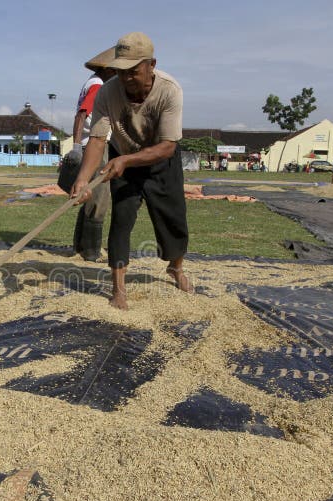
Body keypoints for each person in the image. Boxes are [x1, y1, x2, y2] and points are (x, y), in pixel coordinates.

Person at [71, 32, 192, 310]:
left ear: (151, 64)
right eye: (120, 71)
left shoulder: (169, 90)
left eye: (133, 71)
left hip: (161, 159)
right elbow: (98, 139)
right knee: (121, 220)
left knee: (174, 220)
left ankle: (175, 268)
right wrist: (82, 179)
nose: (125, 78)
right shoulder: (107, 92)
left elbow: (167, 147)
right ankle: (119, 289)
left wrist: (127, 161)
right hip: (122, 156)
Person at [66, 46, 116, 262]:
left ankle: (80, 246)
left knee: (87, 195)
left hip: (91, 143)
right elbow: (82, 114)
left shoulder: (93, 82)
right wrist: (77, 145)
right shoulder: (98, 85)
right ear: (107, 69)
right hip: (94, 145)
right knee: (99, 197)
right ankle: (92, 250)